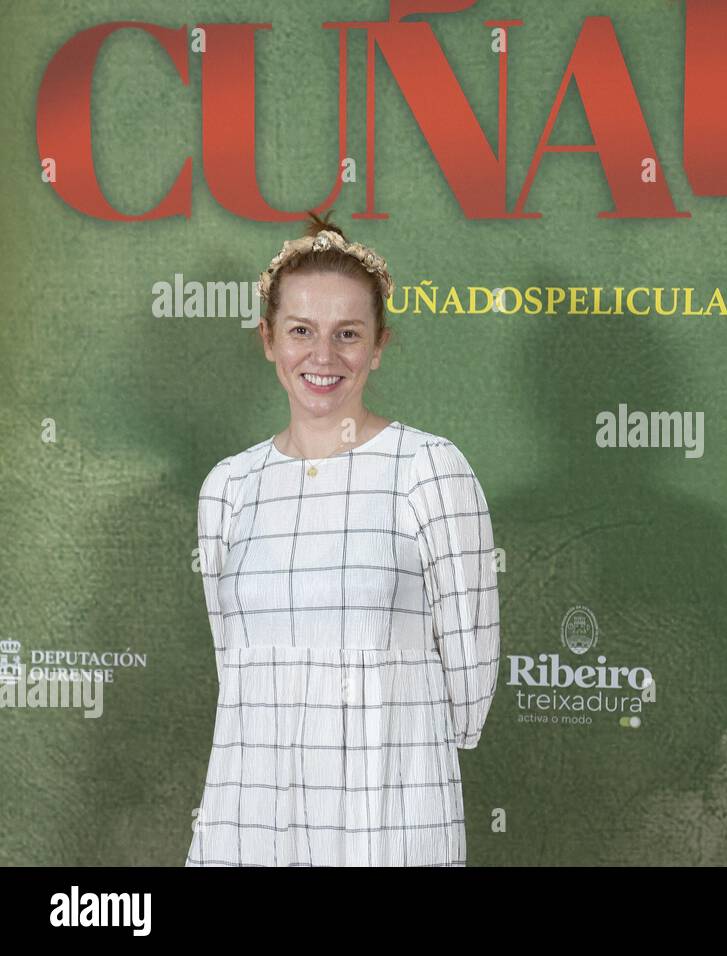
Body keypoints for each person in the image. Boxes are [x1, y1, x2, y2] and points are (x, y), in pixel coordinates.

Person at [185, 211, 499, 866]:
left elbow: (468, 690)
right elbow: (237, 672)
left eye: (347, 334)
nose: (322, 357)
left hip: (389, 819)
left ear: (379, 344)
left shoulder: (429, 470)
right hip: (251, 821)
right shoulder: (228, 487)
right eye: (302, 331)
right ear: (268, 339)